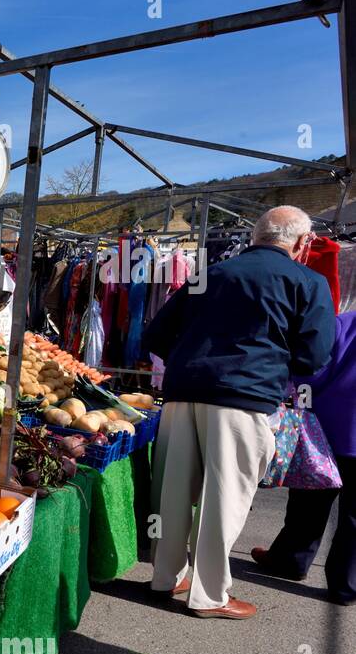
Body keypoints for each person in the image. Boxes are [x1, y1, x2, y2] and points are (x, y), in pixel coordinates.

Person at [143, 205, 336, 620]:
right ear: (302, 243)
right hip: (244, 397)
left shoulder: (208, 274)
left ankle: (165, 577)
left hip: (181, 393)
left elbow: (155, 334)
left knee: (173, 491)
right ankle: (210, 595)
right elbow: (315, 354)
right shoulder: (308, 281)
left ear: (256, 236)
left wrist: (191, 361)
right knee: (224, 496)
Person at [252, 309, 355, 605]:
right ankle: (346, 586)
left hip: (330, 427)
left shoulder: (342, 323)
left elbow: (313, 370)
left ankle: (292, 560)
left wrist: (302, 397)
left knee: (310, 497)